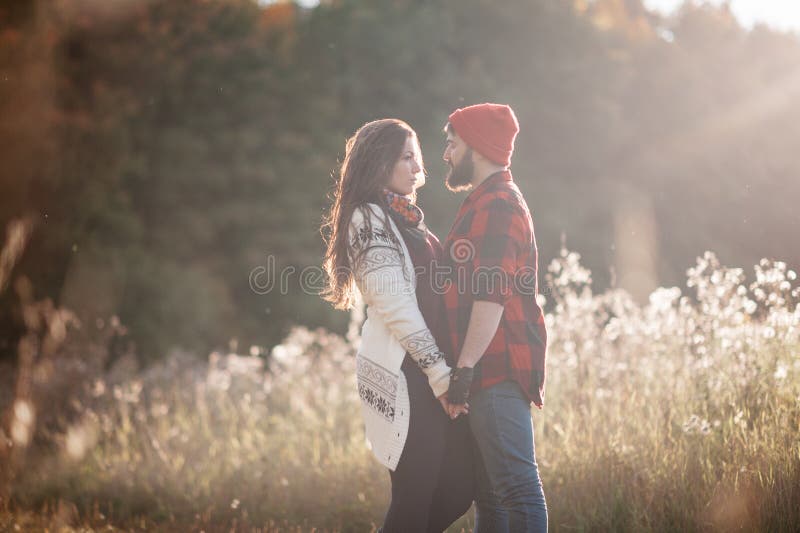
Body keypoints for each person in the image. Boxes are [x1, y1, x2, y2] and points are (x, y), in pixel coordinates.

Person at [321, 118, 473, 532]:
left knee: (460, 483)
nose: (417, 168)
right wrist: (441, 376)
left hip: (430, 373)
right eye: (406, 157)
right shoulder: (368, 221)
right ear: (380, 161)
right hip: (406, 374)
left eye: (416, 158)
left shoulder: (404, 218)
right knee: (415, 495)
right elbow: (398, 307)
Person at [440, 103, 549, 532]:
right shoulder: (485, 200)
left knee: (518, 493)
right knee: (491, 499)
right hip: (485, 372)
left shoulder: (499, 203)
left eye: (451, 143)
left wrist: (463, 371)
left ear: (477, 147)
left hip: (494, 371)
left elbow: (491, 296)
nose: (445, 154)